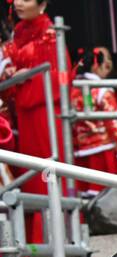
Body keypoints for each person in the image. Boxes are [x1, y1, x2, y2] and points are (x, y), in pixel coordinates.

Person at [1, 0, 59, 243]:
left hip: (42, 109)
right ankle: (35, 235)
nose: (19, 3)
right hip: (23, 111)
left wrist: (26, 78)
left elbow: (56, 76)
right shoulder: (20, 32)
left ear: (43, 3)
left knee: (45, 169)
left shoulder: (50, 33)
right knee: (29, 171)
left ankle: (53, 232)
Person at [72, 47, 117, 193]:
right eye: (107, 61)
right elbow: (116, 125)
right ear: (97, 65)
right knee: (109, 197)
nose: (109, 65)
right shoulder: (102, 91)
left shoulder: (71, 92)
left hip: (79, 156)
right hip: (103, 156)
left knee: (83, 198)